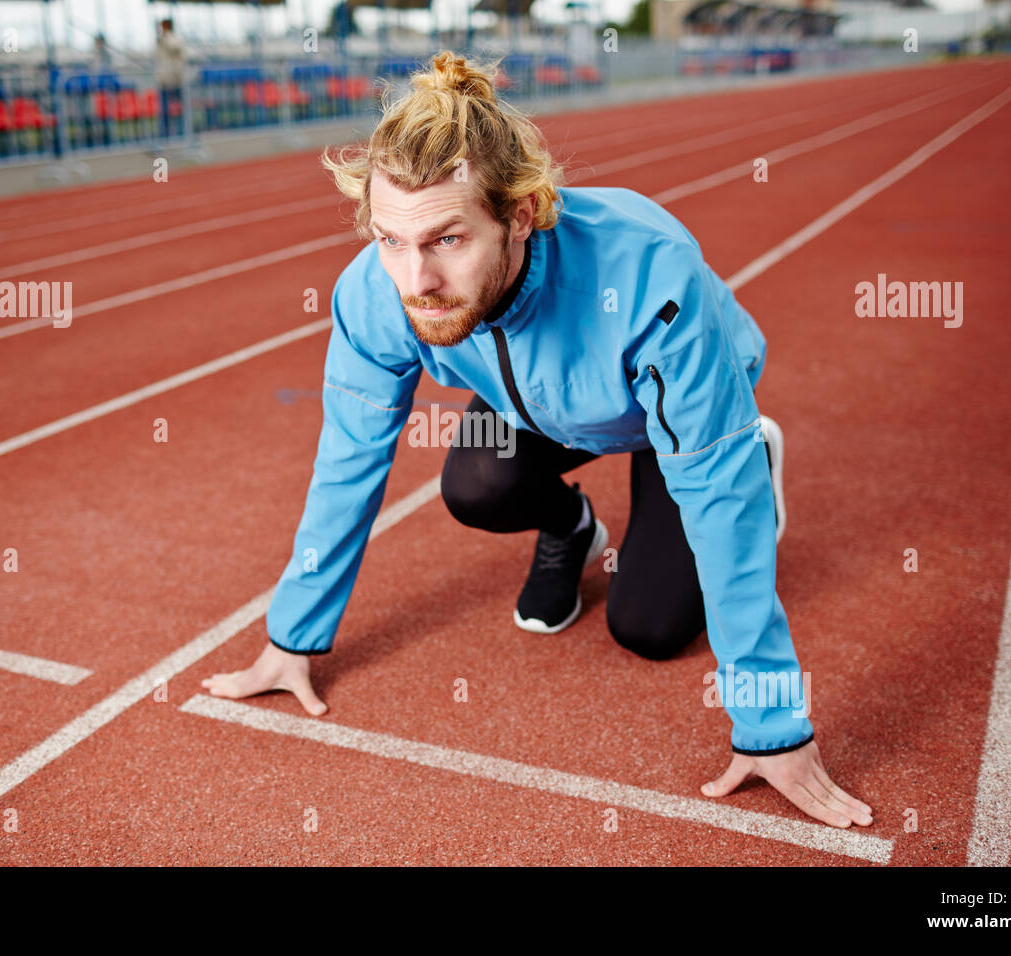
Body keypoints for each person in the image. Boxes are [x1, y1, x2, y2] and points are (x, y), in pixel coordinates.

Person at [203, 52, 873, 829]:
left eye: (447, 240)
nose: (415, 279)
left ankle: (754, 445)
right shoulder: (379, 292)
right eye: (389, 239)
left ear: (520, 214)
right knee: (477, 487)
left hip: (665, 419)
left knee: (649, 629)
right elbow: (349, 455)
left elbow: (719, 500)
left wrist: (770, 725)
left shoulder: (649, 276)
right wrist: (292, 637)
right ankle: (574, 530)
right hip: (527, 410)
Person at [154, 17, 186, 139]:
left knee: (181, 109)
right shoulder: (161, 40)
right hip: (164, 80)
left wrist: (165, 38)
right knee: (164, 110)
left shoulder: (174, 39)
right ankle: (164, 136)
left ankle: (182, 134)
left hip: (176, 79)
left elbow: (175, 48)